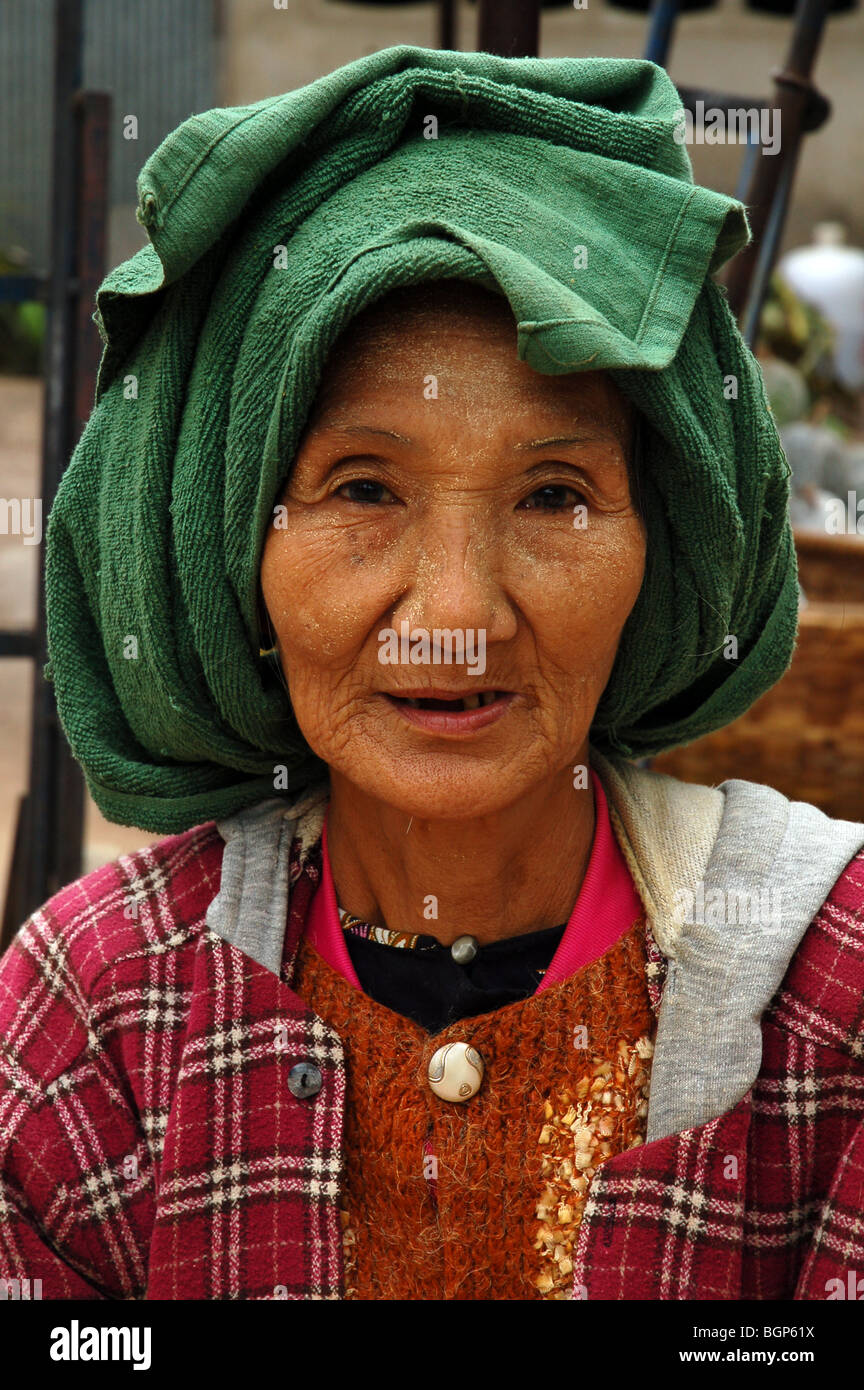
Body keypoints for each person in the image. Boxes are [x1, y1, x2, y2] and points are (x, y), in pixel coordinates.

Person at [1, 44, 862, 1302]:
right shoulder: (97, 1022)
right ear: (237, 546)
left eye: (556, 494)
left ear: (660, 550)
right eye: (362, 489)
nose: (459, 612)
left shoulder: (833, 995)